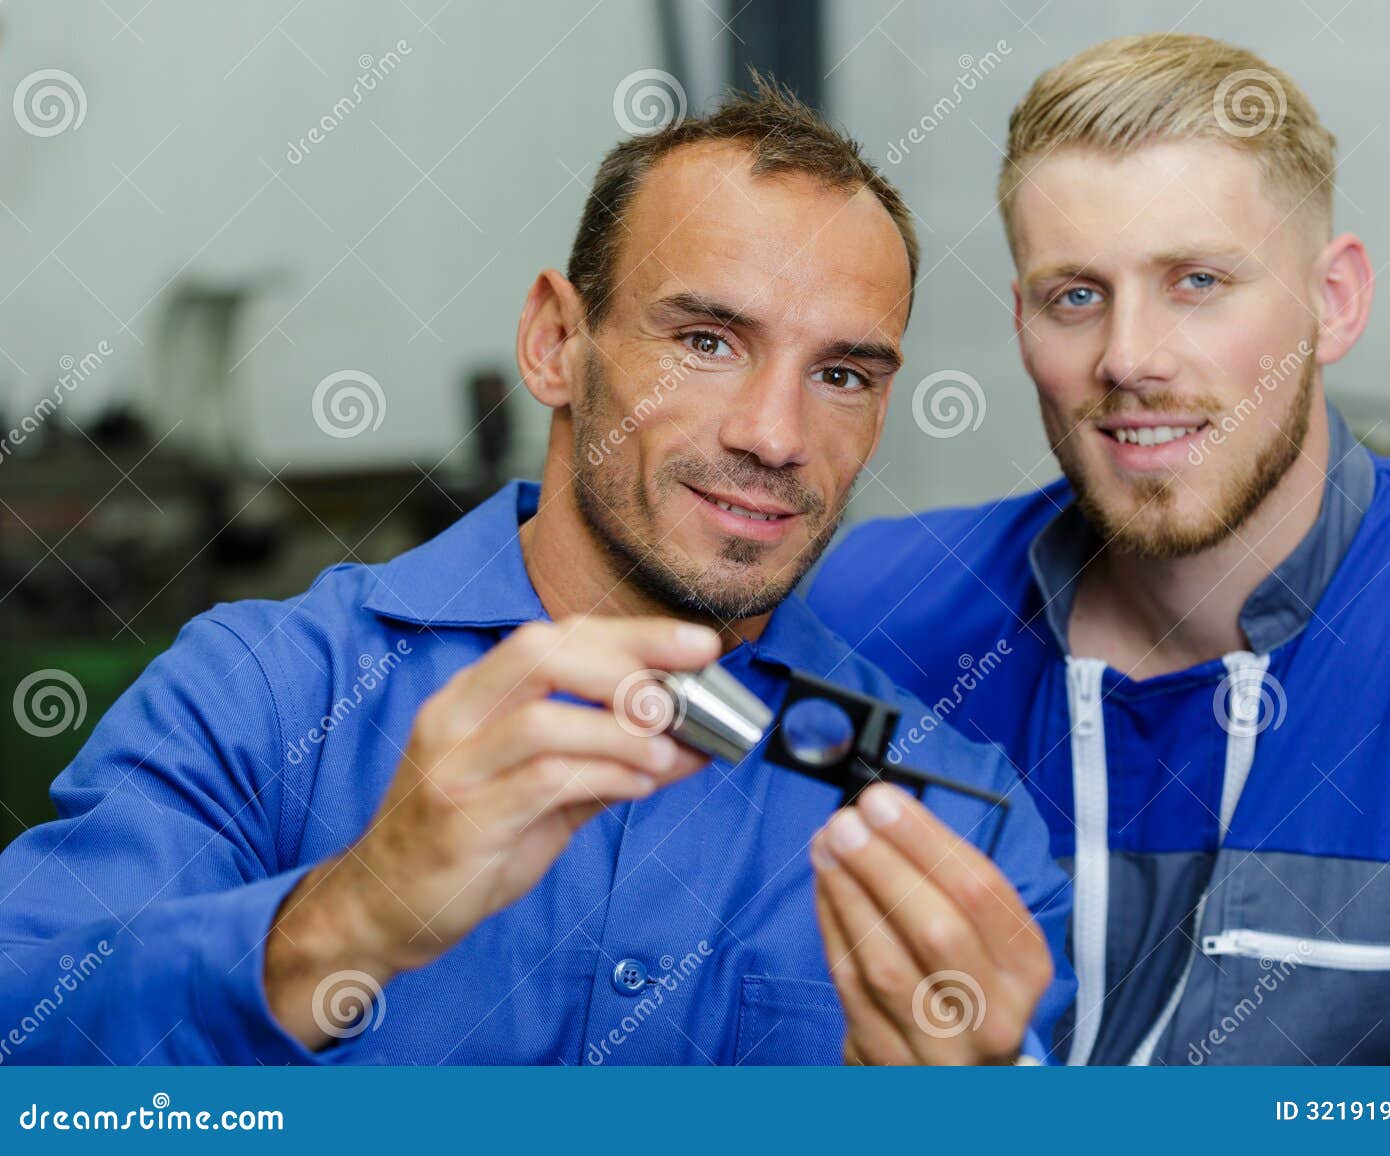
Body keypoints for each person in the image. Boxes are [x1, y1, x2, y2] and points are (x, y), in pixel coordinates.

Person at [0, 82, 1072, 1066]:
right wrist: (348, 917)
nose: (776, 434)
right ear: (557, 339)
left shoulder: (957, 822)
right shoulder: (264, 697)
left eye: (840, 373)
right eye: (706, 340)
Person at [809, 34, 1390, 1064]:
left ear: (1335, 301)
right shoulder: (865, 618)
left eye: (1196, 281)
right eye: (1075, 296)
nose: (1129, 358)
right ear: (1021, 323)